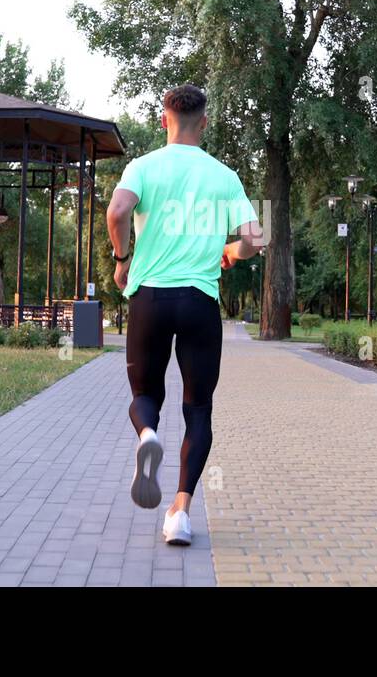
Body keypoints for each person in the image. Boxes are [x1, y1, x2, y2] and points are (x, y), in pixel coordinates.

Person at [106, 84, 264, 546]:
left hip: (150, 299)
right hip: (199, 303)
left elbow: (117, 212)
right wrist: (229, 252)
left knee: (145, 393)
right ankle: (180, 512)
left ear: (163, 120)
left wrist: (122, 260)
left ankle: (148, 435)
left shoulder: (143, 166)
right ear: (205, 123)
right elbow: (256, 239)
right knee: (198, 409)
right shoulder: (225, 176)